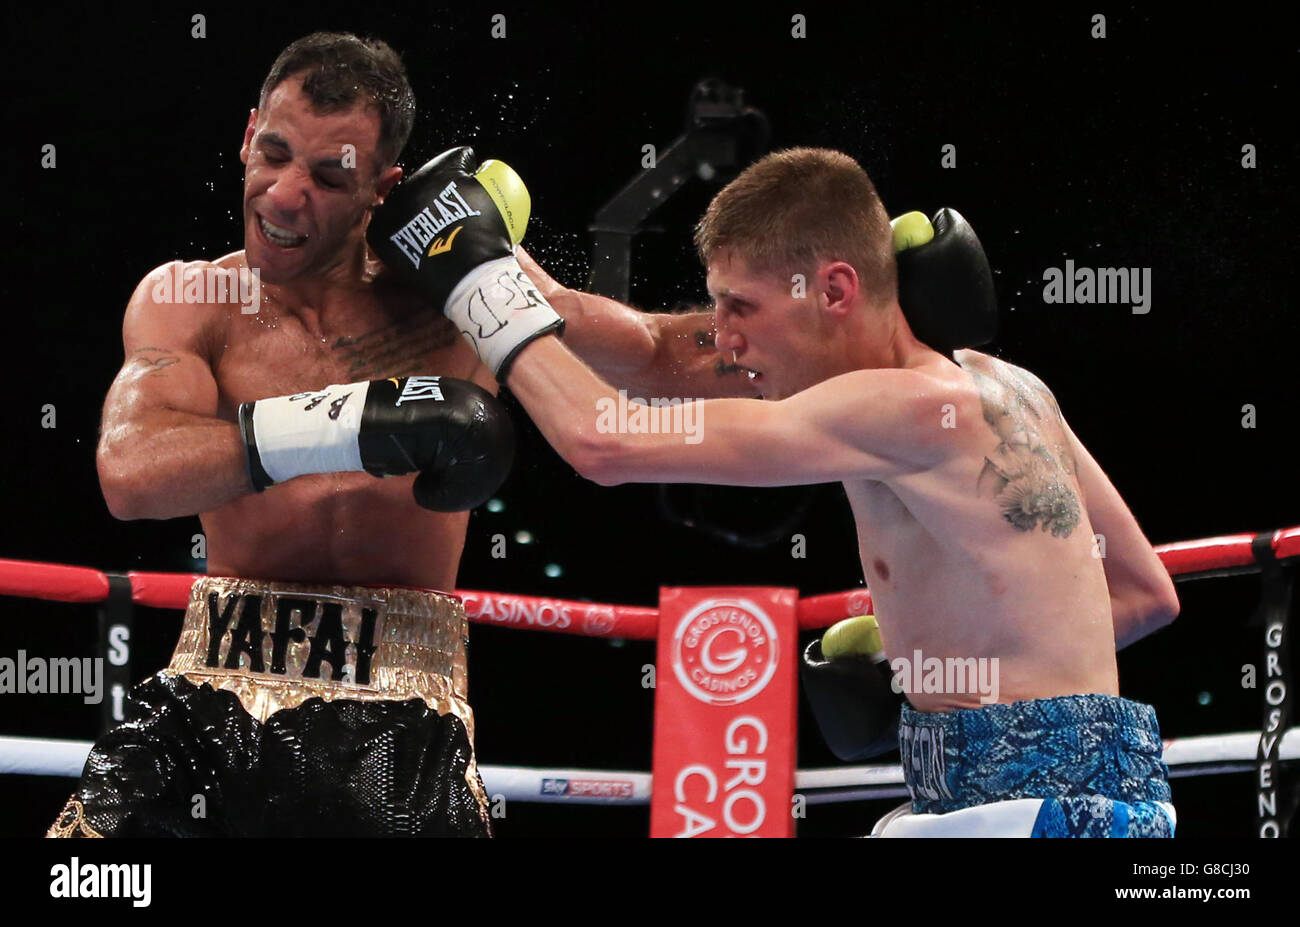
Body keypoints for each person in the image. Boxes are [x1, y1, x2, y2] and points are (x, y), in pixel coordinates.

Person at [48, 31, 751, 839]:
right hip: (210, 695)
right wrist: (358, 422)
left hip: (401, 713)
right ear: (246, 135)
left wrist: (868, 330)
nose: (281, 195)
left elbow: (661, 356)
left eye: (326, 175)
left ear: (382, 187)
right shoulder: (189, 299)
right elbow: (130, 471)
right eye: (272, 153)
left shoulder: (459, 290)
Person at [368, 145, 1182, 837]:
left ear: (832, 290)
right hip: (1064, 795)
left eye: (740, 309)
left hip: (1032, 810)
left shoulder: (908, 410)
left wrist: (473, 279)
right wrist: (506, 264)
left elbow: (603, 440)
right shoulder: (1014, 387)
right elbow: (1145, 593)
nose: (722, 338)